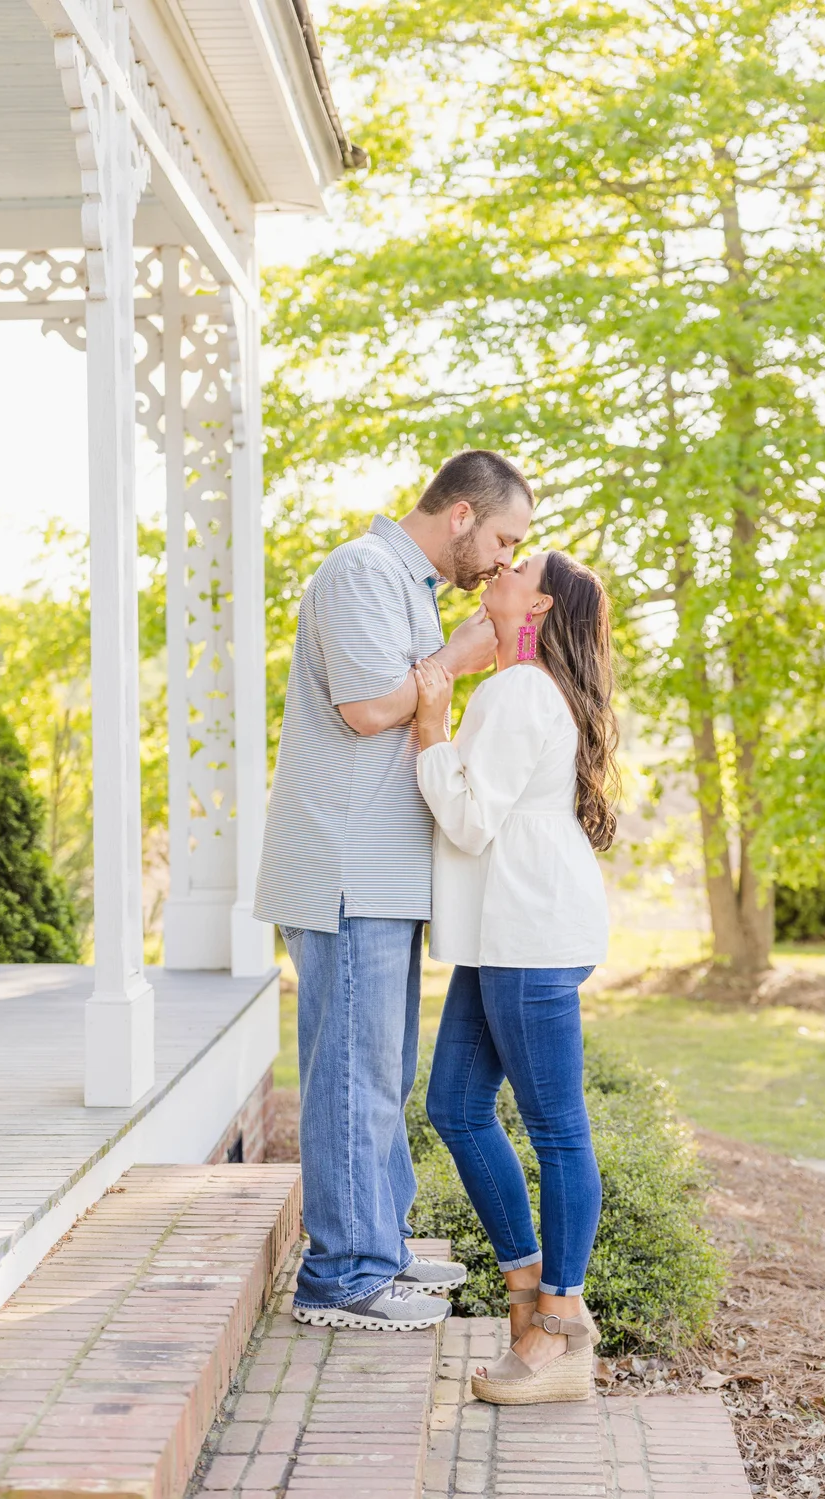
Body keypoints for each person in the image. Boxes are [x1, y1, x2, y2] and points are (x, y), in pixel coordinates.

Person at [254, 450, 535, 1331]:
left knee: (382, 1074)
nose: (502, 560)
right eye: (501, 538)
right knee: (351, 1076)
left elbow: (419, 716)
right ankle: (342, 1276)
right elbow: (369, 710)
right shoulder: (362, 571)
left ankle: (381, 1244)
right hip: (346, 871)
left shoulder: (408, 588)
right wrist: (452, 657)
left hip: (384, 873)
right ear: (460, 515)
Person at [413, 549, 619, 1402]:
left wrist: (431, 724)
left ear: (536, 604)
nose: (498, 566)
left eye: (517, 565)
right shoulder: (523, 689)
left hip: (529, 931)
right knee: (456, 1106)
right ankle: (527, 1295)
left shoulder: (519, 690)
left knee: (557, 1127)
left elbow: (466, 818)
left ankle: (562, 1327)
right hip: (510, 930)